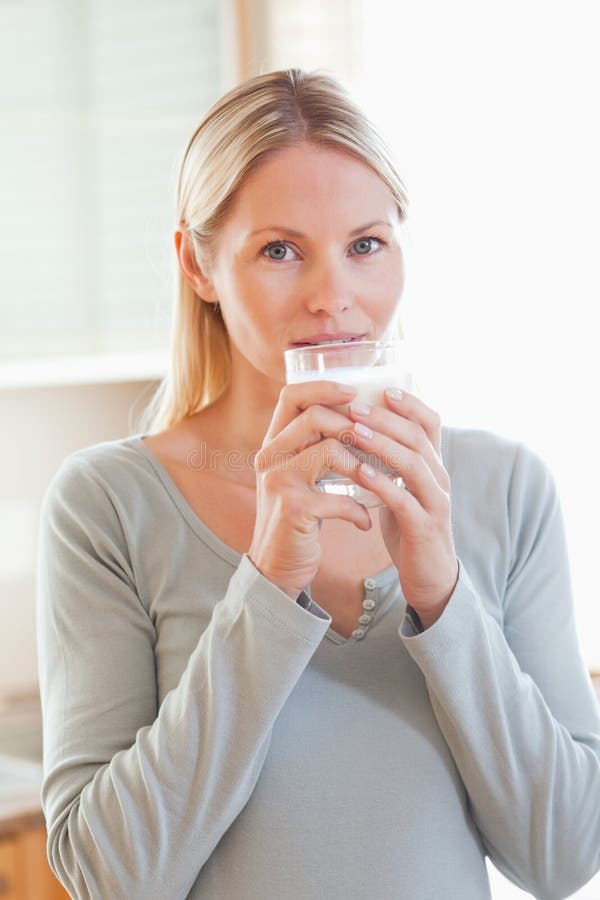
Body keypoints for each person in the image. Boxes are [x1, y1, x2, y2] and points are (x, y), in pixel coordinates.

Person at [36, 68, 600, 900]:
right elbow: (113, 877)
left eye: (365, 244)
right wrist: (267, 583)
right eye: (279, 250)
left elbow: (564, 854)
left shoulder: (505, 489)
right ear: (197, 263)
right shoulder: (107, 506)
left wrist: (443, 591)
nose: (334, 298)